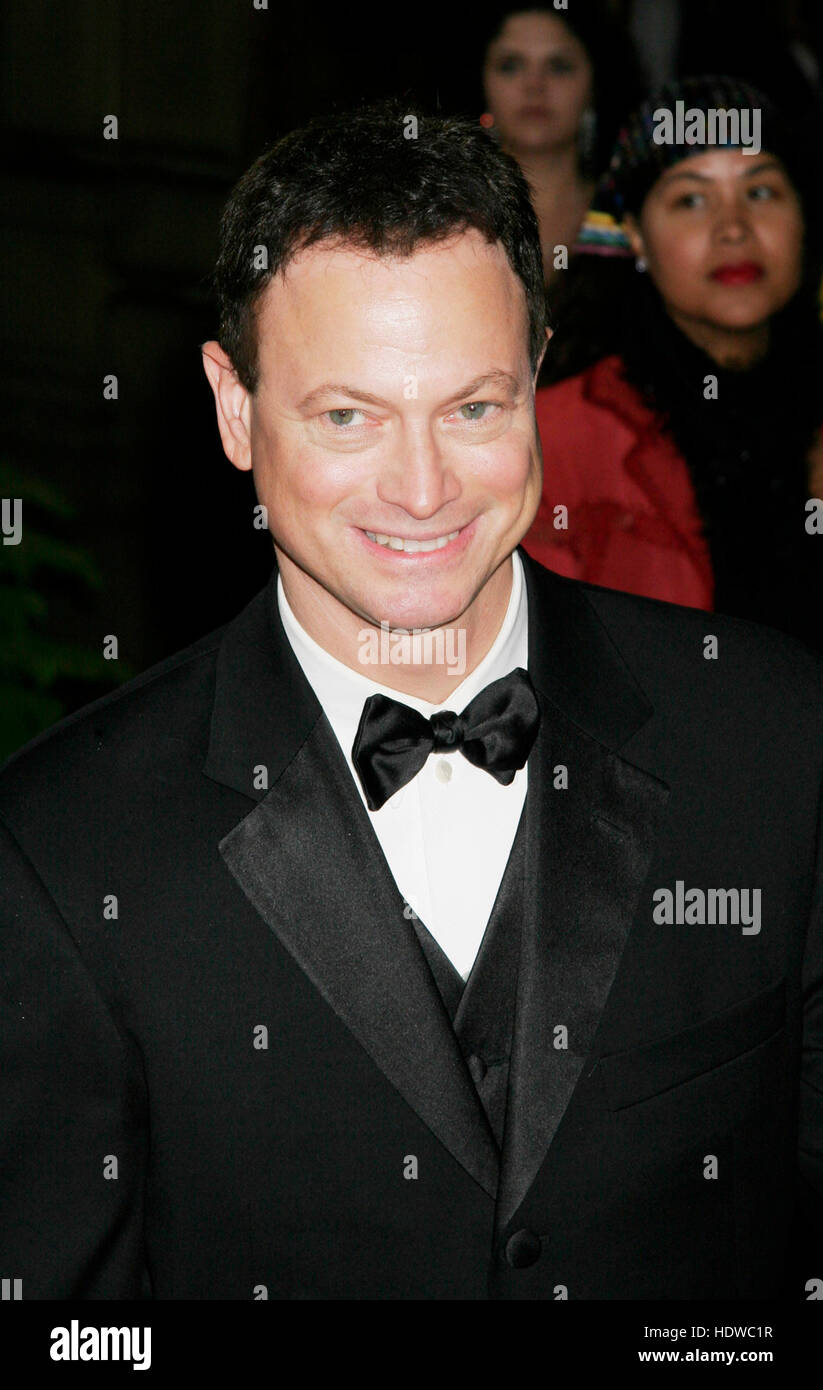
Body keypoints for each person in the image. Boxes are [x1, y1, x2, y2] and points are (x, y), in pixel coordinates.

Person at [1, 99, 822, 1301]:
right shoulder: (61, 847)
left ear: (537, 373)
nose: (424, 487)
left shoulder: (776, 735)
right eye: (347, 416)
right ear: (235, 408)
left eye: (474, 407)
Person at [523, 76, 823, 650]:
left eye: (760, 193)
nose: (733, 228)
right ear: (634, 233)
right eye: (691, 199)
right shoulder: (559, 436)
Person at [478, 5, 642, 286]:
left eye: (559, 67)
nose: (534, 85)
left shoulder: (633, 221)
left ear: (594, 86)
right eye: (511, 65)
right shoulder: (443, 217)